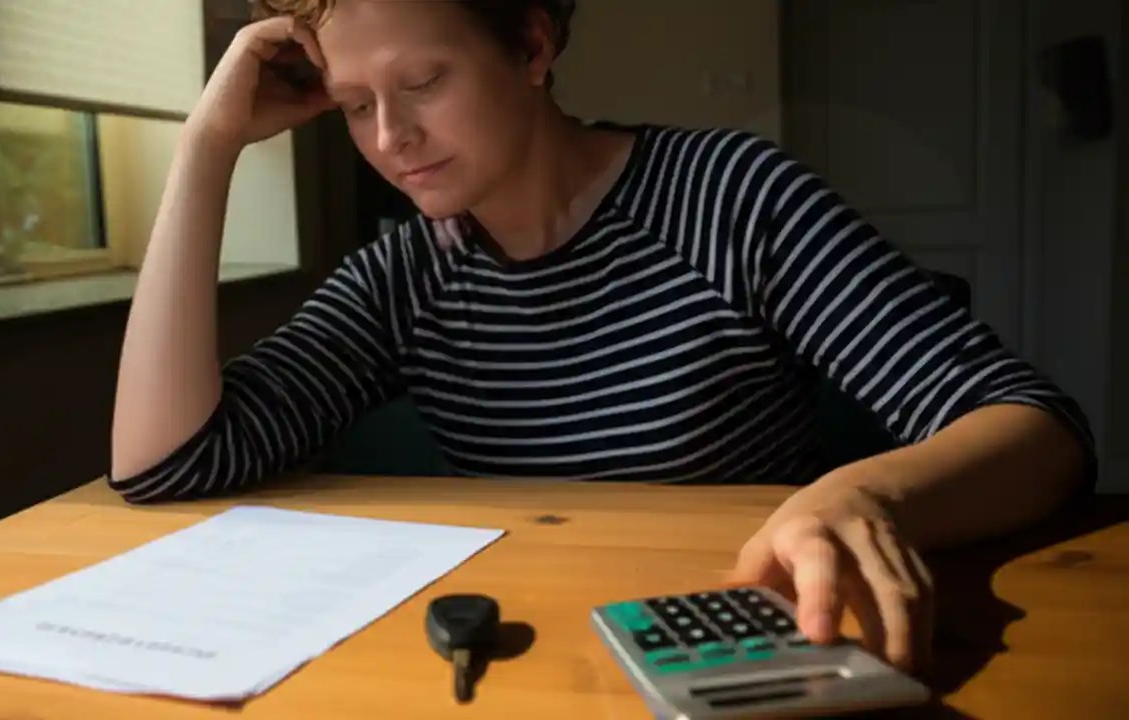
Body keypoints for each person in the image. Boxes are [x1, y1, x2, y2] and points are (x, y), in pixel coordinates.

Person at [108, 0, 1094, 677]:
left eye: (421, 82)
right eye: (355, 105)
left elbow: (1037, 427)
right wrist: (205, 147)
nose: (389, 140)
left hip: (735, 647)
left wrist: (856, 493)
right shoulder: (404, 276)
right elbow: (167, 465)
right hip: (531, 660)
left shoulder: (726, 198)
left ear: (531, 47)